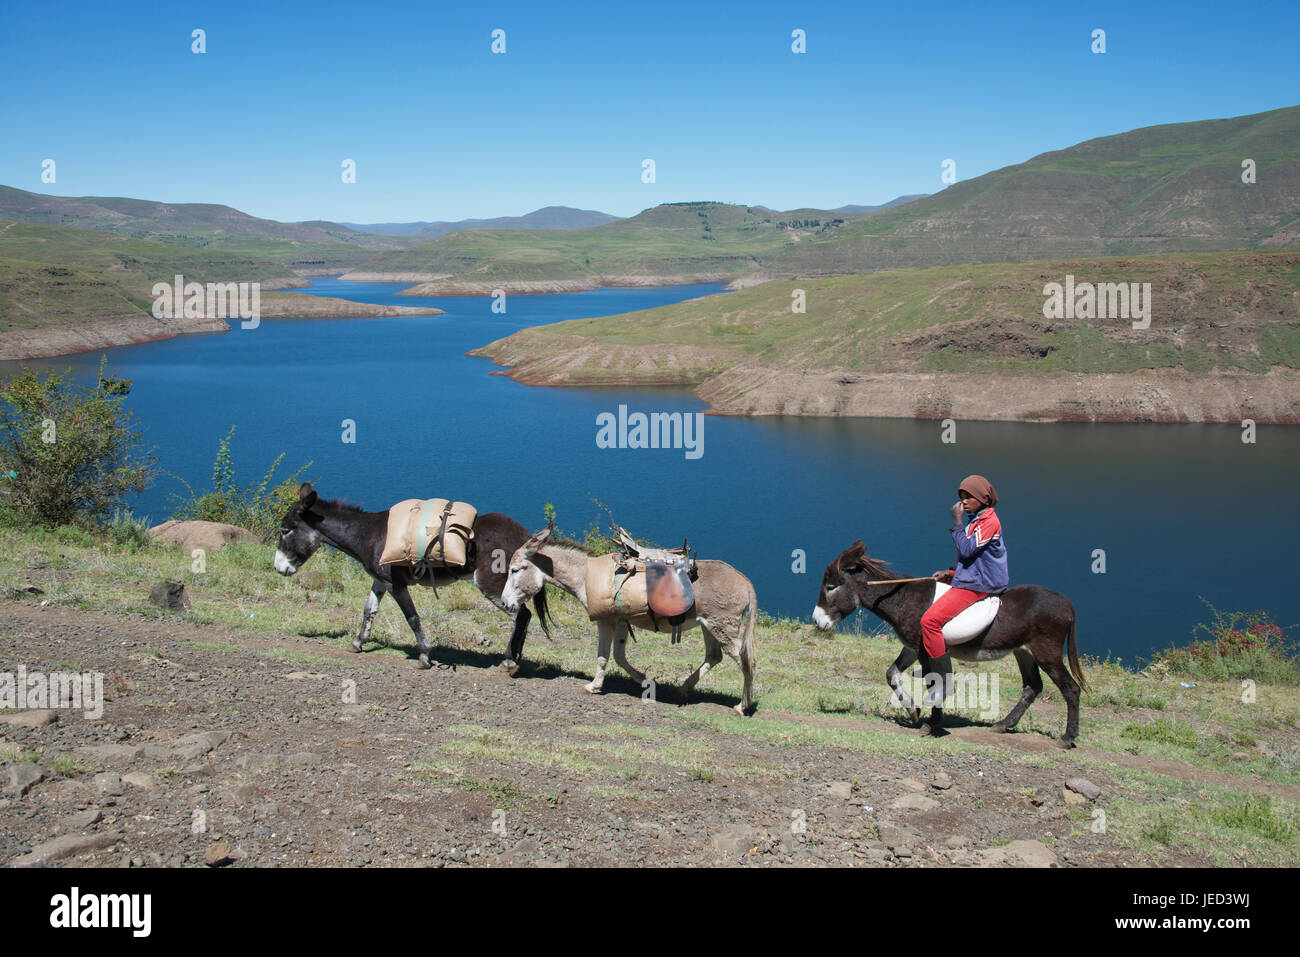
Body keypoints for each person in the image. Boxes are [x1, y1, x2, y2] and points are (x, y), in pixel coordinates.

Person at [921, 474, 1009, 704]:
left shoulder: (989, 521)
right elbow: (973, 561)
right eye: (962, 497)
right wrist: (950, 574)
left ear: (983, 498)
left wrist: (957, 522)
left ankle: (943, 683)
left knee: (929, 622)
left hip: (980, 586)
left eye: (969, 497)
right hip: (971, 579)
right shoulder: (978, 519)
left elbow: (969, 550)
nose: (964, 502)